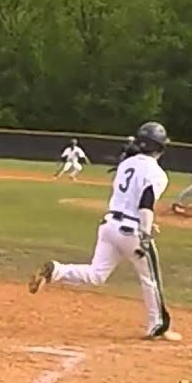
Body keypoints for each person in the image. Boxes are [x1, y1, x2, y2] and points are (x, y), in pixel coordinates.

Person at [29, 121, 180, 341]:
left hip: (109, 225)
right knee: (150, 279)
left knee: (96, 274)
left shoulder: (126, 164)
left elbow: (130, 198)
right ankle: (157, 325)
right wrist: (146, 232)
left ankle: (56, 271)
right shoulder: (157, 172)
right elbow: (145, 203)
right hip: (131, 231)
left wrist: (143, 222)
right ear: (160, 147)